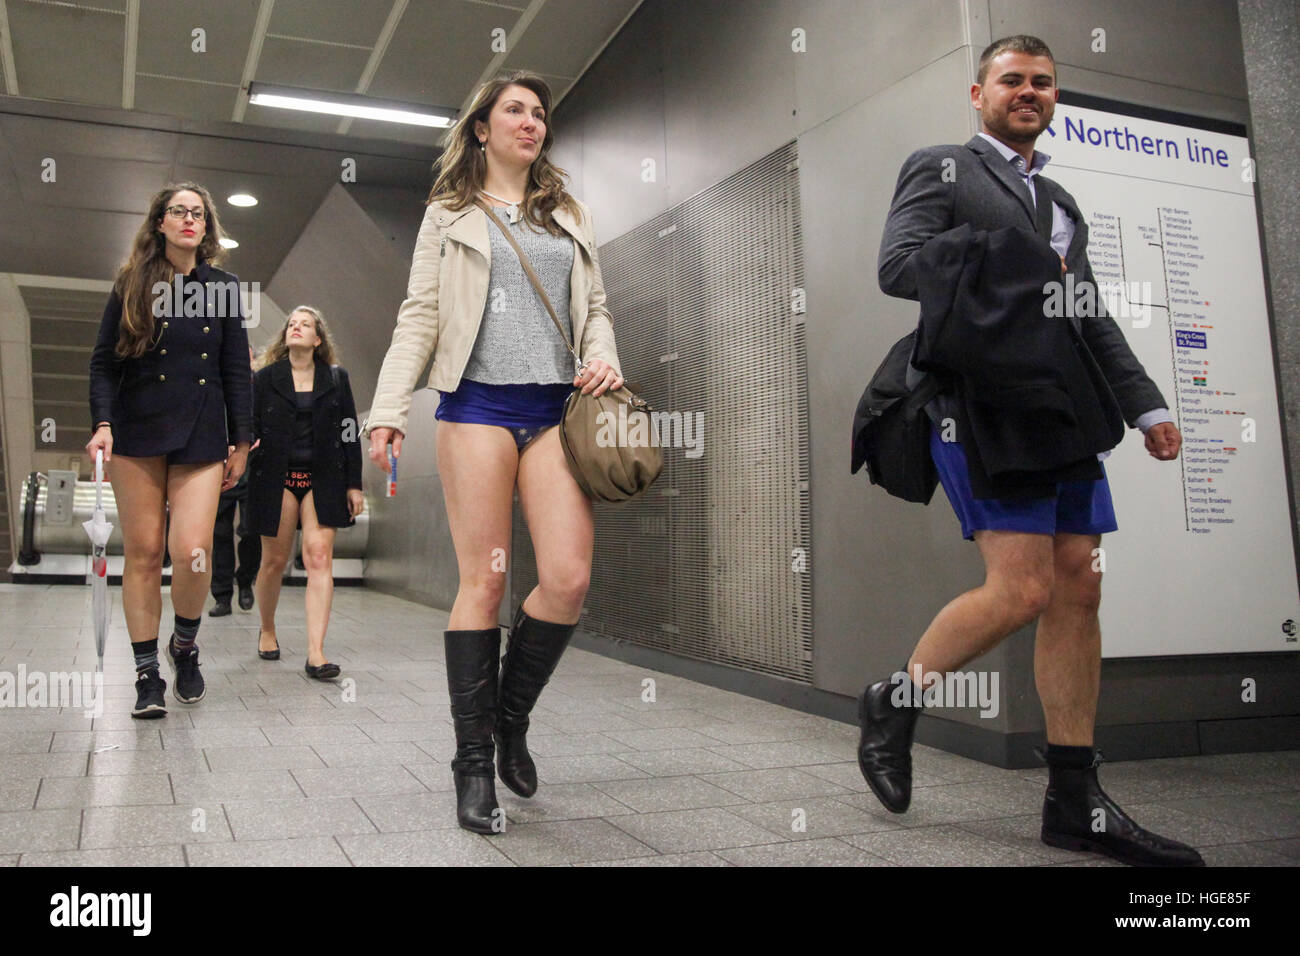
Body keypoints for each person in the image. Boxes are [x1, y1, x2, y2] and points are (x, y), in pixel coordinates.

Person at [866, 35, 1203, 867]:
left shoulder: (1057, 197)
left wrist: (1146, 402)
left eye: (1042, 83)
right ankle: (894, 701)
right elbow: (899, 268)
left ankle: (1072, 801)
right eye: (1011, 80)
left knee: (1079, 585)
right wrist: (1016, 259)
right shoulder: (943, 167)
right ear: (976, 94)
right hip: (977, 401)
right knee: (1021, 590)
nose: (1028, 91)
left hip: (1061, 406)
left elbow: (1085, 309)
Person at [364, 71, 623, 834]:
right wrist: (387, 410)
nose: (530, 122)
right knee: (485, 582)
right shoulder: (448, 214)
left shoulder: (566, 212)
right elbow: (420, 315)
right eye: (514, 110)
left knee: (568, 579)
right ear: (482, 127)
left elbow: (596, 307)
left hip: (554, 413)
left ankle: (509, 718)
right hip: (477, 405)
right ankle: (473, 764)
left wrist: (603, 356)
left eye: (539, 113)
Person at [87, 182, 252, 718]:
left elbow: (234, 369)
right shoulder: (132, 282)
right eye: (178, 211)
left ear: (207, 227)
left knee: (191, 551)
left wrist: (242, 440)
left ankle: (184, 645)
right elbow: (103, 363)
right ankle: (145, 675)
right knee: (142, 553)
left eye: (197, 213)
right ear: (159, 222)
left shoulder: (223, 287)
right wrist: (103, 422)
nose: (188, 220)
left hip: (201, 433)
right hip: (136, 431)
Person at [247, 307, 364, 679]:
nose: (297, 327)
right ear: (285, 337)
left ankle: (316, 652)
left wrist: (354, 483)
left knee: (318, 558)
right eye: (292, 324)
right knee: (274, 561)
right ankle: (267, 629)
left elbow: (348, 428)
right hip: (276, 475)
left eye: (306, 324)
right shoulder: (264, 379)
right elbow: (249, 423)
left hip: (323, 476)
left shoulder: (336, 378)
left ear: (317, 340)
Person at [209, 345, 262, 617]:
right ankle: (222, 596)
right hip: (221, 462)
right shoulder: (216, 384)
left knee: (251, 529)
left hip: (254, 464)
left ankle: (245, 579)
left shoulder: (261, 384)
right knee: (219, 531)